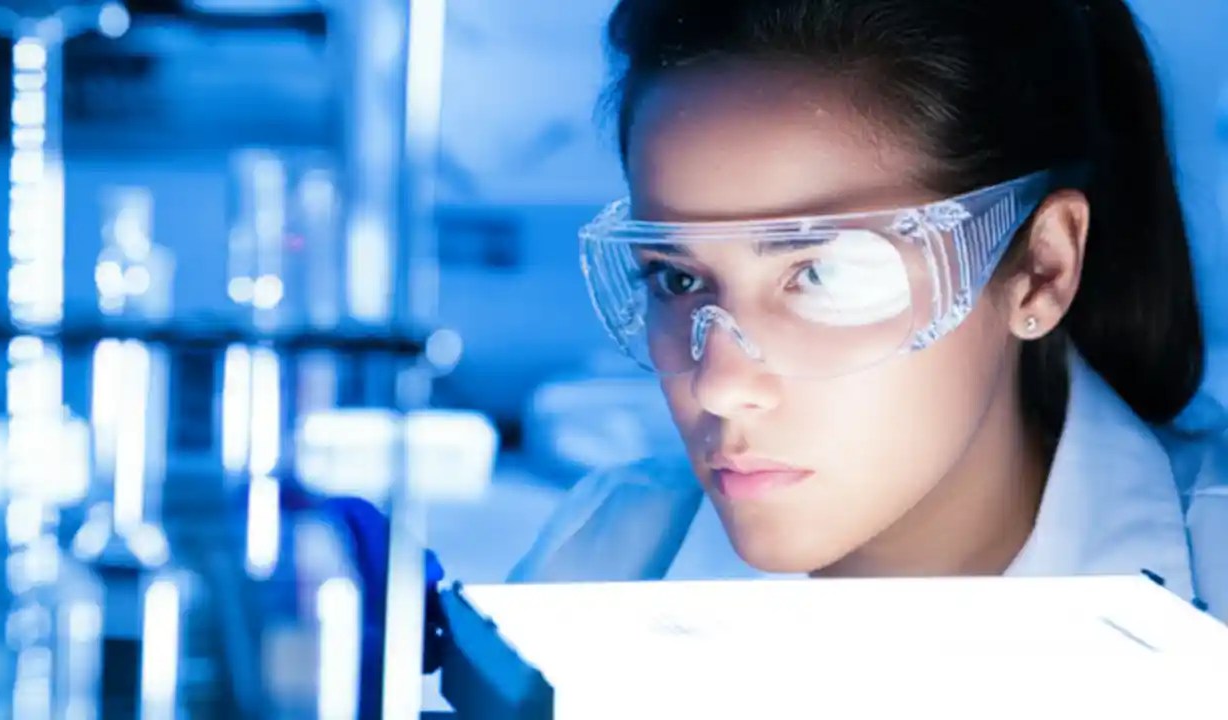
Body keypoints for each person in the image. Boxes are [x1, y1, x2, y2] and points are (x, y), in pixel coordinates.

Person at [509, 0, 1228, 620]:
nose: (719, 385)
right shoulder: (599, 560)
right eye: (674, 278)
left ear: (1042, 270)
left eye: (821, 273)